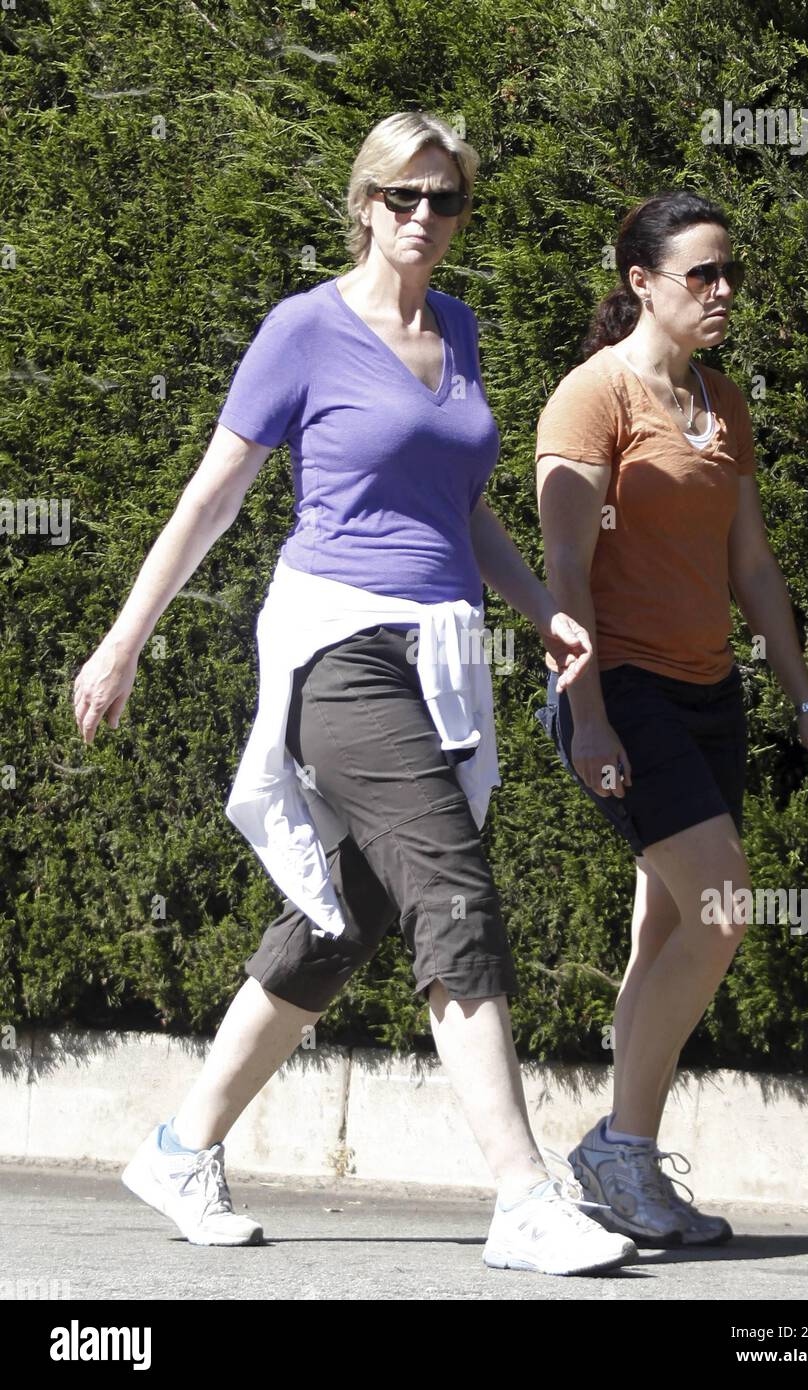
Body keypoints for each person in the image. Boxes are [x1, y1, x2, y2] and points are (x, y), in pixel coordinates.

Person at [72, 111, 636, 1278]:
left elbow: (461, 502)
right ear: (365, 201)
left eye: (448, 200)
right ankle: (525, 1196)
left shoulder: (462, 329)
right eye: (405, 196)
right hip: (338, 645)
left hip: (443, 654)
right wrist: (126, 639)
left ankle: (181, 1145)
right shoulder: (304, 331)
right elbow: (212, 497)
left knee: (345, 917)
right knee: (454, 891)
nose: (426, 217)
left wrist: (541, 607)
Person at [533, 189, 808, 1248]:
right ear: (641, 284)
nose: (721, 292)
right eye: (700, 275)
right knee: (723, 908)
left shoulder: (724, 403)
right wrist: (587, 716)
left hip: (710, 694)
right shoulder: (592, 398)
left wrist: (802, 699)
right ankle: (617, 1150)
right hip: (618, 689)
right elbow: (564, 564)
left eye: (730, 274)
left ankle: (628, 1165)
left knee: (667, 931)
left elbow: (750, 565)